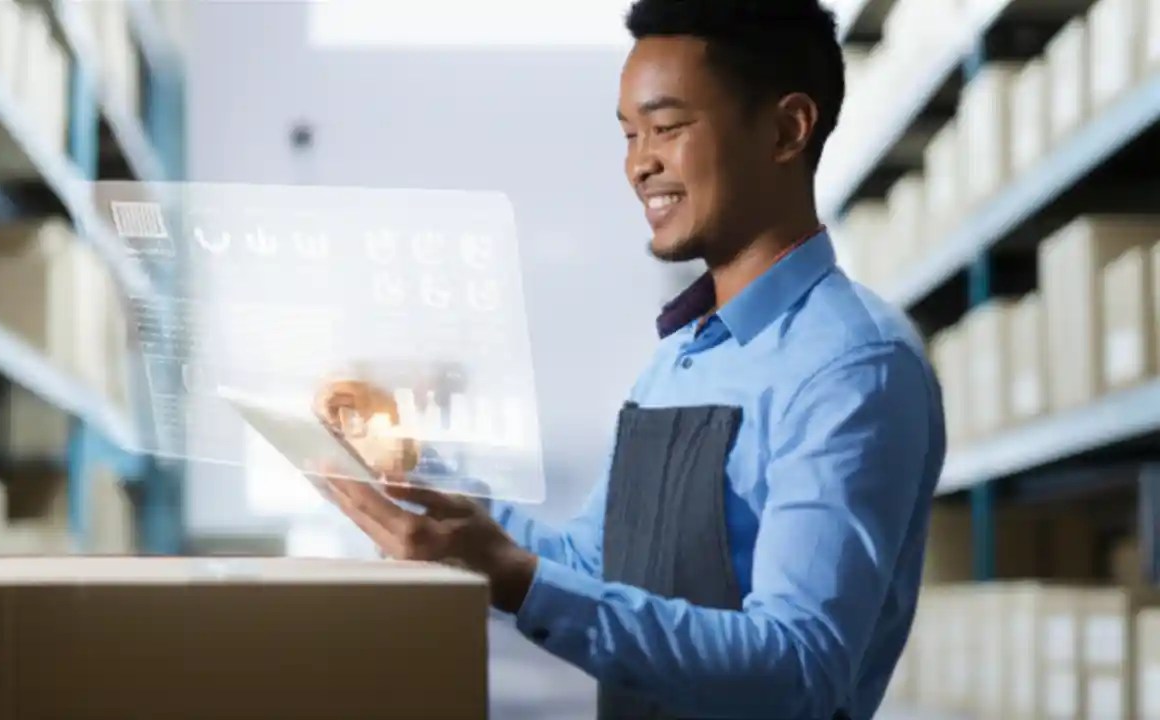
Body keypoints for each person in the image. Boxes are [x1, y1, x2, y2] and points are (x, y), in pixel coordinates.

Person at [313, 1, 945, 718]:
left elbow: (799, 667)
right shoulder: (679, 357)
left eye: (668, 128)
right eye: (629, 134)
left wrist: (514, 578)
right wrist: (410, 465)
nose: (640, 164)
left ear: (785, 129)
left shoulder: (854, 365)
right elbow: (595, 564)